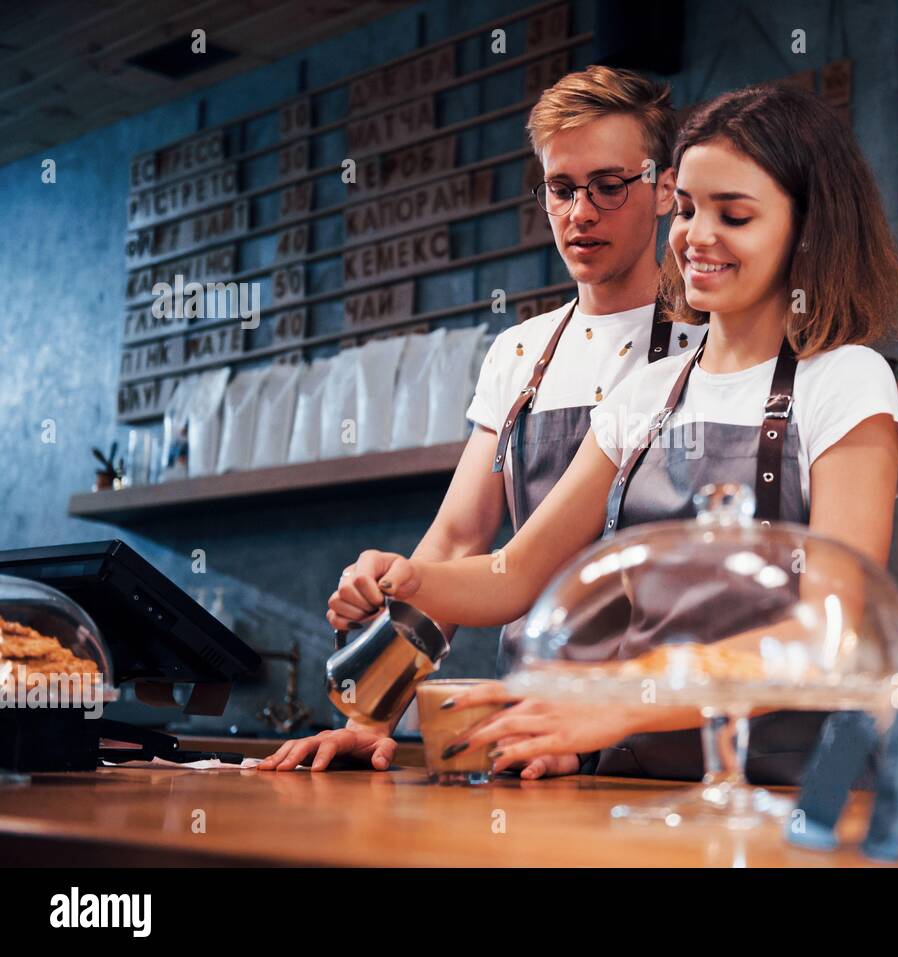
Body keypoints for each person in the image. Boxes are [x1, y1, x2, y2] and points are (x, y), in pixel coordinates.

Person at [352, 82, 898, 784]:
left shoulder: (845, 379)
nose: (696, 237)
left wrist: (619, 697)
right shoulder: (645, 394)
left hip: (784, 792)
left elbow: (833, 629)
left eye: (733, 215)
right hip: (629, 781)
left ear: (807, 229)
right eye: (688, 209)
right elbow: (517, 572)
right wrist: (409, 578)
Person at [259, 66, 705, 774]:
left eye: (608, 185)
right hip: (536, 736)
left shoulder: (713, 344)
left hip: (684, 732)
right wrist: (370, 714)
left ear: (663, 189)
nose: (581, 213)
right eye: (561, 189)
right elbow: (458, 542)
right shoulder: (519, 354)